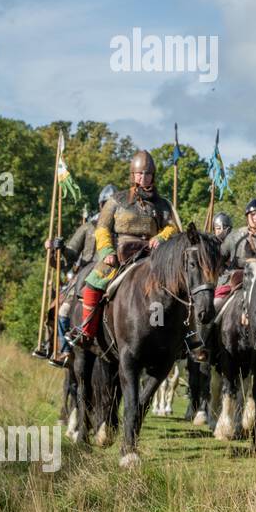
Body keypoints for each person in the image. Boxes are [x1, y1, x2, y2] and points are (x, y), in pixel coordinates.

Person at [68, 152, 176, 346]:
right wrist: (107, 252)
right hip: (120, 254)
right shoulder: (117, 200)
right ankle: (86, 332)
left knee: (179, 286)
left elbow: (172, 226)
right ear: (133, 175)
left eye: (148, 174)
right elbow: (102, 229)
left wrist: (161, 236)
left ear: (153, 176)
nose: (144, 178)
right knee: (93, 283)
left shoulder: (162, 204)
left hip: (152, 255)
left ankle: (185, 337)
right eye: (140, 174)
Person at [35, 183, 118, 364]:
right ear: (100, 205)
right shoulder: (88, 227)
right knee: (63, 312)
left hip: (115, 271)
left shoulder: (121, 229)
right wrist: (61, 248)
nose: (108, 209)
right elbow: (72, 254)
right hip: (87, 275)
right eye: (106, 204)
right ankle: (66, 351)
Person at [214, 200, 256, 311]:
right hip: (233, 282)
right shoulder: (235, 236)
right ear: (247, 216)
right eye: (253, 214)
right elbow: (219, 258)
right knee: (213, 308)